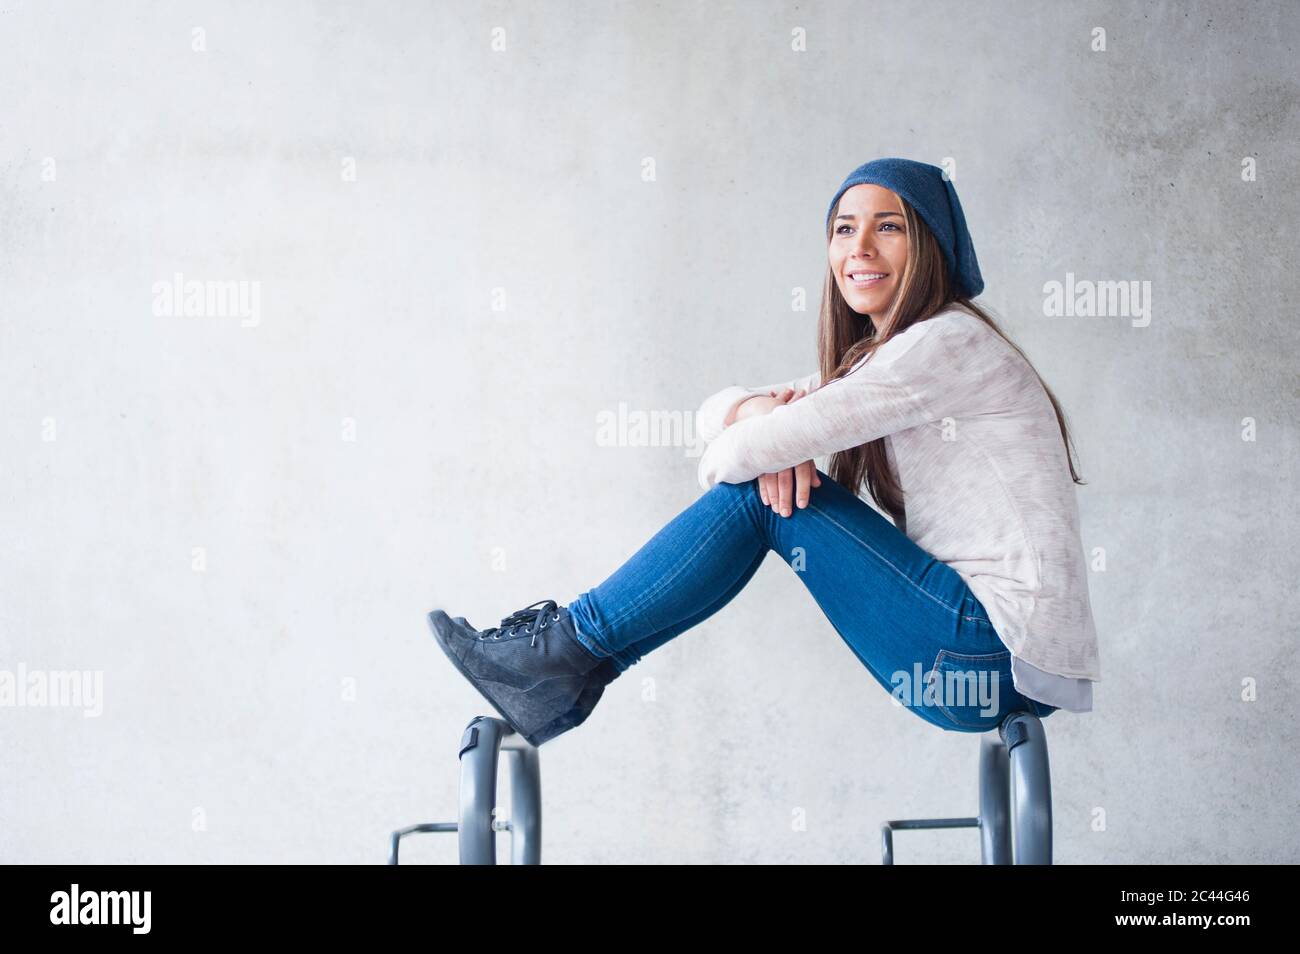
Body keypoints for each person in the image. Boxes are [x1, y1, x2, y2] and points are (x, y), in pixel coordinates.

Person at [429, 157, 1101, 747]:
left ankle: (563, 656)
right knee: (766, 475)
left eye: (888, 226)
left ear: (928, 245)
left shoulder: (942, 345)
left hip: (988, 650)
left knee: (759, 494)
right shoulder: (882, 361)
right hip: (995, 660)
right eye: (844, 229)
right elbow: (716, 416)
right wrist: (760, 421)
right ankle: (570, 670)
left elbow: (732, 461)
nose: (859, 246)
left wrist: (767, 445)